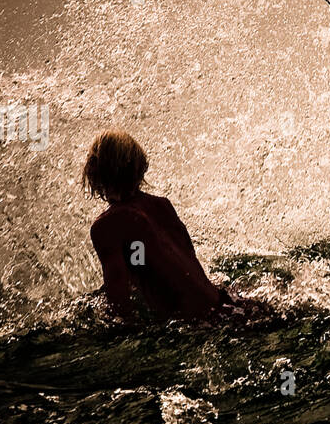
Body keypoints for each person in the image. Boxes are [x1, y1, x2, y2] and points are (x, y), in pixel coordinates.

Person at [82, 130, 250, 322]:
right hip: (224, 303)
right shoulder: (162, 205)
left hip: (196, 323)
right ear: (140, 165)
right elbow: (182, 262)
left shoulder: (107, 226)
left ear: (94, 172)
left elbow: (119, 304)